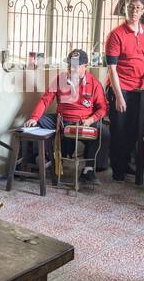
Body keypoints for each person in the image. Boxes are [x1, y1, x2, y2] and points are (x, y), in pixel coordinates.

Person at [24, 48, 109, 183]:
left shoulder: (94, 84)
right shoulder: (61, 79)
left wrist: (90, 120)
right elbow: (45, 100)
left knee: (104, 132)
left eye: (76, 66)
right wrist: (34, 117)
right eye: (70, 65)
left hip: (83, 122)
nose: (72, 68)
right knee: (34, 124)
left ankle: (89, 170)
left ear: (85, 66)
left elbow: (103, 108)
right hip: (61, 121)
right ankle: (34, 162)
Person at [104, 0, 144, 182]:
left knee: (135, 130)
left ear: (143, 11)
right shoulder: (116, 34)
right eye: (130, 7)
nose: (134, 11)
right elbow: (111, 68)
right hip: (121, 89)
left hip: (140, 90)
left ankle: (126, 163)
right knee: (119, 129)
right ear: (125, 8)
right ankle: (117, 169)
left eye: (138, 7)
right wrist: (118, 96)